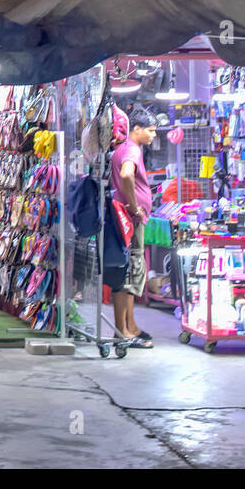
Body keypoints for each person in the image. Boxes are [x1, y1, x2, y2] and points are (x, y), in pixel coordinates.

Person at [111, 106, 157, 347]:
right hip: (130, 219)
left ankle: (130, 326)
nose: (153, 135)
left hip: (127, 219)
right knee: (130, 273)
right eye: (150, 130)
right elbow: (127, 175)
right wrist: (135, 206)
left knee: (131, 272)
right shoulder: (131, 150)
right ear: (136, 129)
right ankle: (123, 331)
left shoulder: (124, 148)